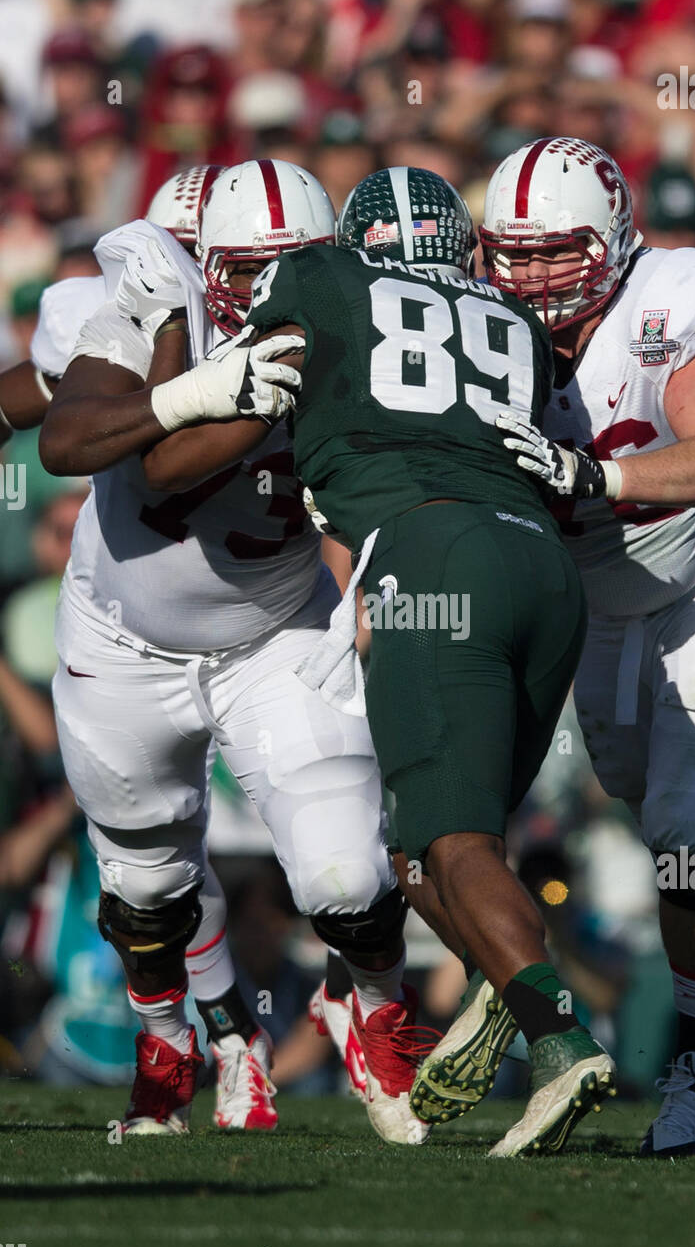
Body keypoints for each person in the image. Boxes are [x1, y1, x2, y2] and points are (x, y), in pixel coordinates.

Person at [235, 164, 614, 1158]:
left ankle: (561, 1038)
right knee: (424, 850)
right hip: (545, 566)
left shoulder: (319, 277)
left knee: (448, 843)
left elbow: (249, 391)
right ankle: (507, 978)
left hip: (430, 553)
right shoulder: (517, 321)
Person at [38, 160, 417, 1143]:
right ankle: (175, 1046)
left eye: (296, 267)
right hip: (124, 639)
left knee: (344, 875)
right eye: (250, 270)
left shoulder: (369, 331)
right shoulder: (139, 298)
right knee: (142, 881)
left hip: (276, 631)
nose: (272, 292)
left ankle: (366, 1009)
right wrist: (190, 392)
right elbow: (69, 438)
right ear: (203, 265)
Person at [471, 136, 695, 1160]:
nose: (534, 274)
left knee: (688, 829)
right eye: (516, 251)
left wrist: (594, 479)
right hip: (605, 604)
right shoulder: (477, 324)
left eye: (558, 250)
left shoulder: (671, 303)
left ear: (616, 241)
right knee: (691, 842)